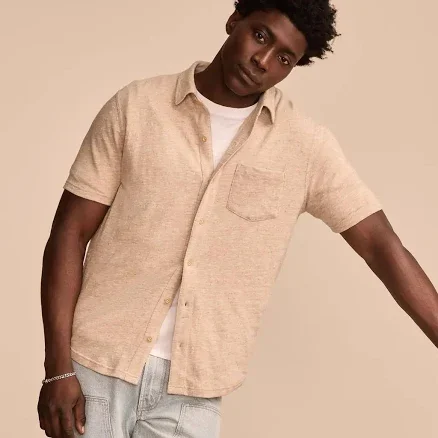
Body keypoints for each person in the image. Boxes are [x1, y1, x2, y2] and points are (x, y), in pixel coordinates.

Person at [38, 1, 438, 437]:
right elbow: (70, 232)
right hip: (94, 369)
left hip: (193, 391)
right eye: (260, 36)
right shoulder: (137, 106)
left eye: (284, 58)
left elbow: (381, 244)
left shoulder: (305, 147)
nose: (262, 60)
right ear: (234, 21)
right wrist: (58, 367)